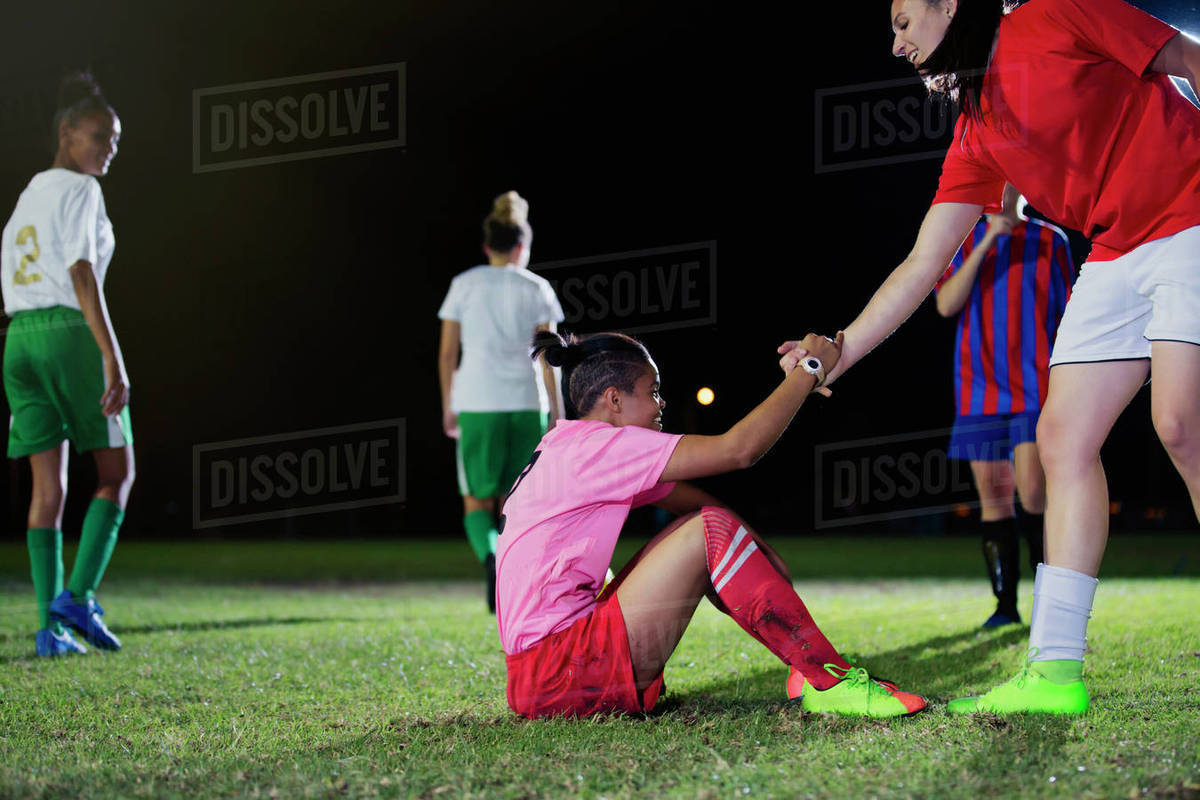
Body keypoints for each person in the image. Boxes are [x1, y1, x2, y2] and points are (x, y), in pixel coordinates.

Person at [780, 0, 1200, 714]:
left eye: (905, 21)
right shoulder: (976, 133)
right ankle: (1054, 675)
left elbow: (1187, 57)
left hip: (1192, 209)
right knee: (1064, 439)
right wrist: (842, 350)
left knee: (1180, 424)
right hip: (1115, 249)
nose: (896, 43)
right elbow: (921, 266)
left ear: (952, 4)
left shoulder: (1051, 18)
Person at [496, 329, 927, 719]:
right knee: (708, 528)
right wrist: (808, 371)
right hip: (561, 673)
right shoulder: (601, 446)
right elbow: (739, 450)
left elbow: (685, 500)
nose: (661, 403)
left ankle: (805, 667)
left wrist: (756, 550)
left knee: (704, 526)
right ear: (614, 400)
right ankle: (828, 680)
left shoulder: (565, 446)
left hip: (540, 677)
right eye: (653, 390)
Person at [2, 72, 133, 657]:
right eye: (100, 134)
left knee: (46, 487)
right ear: (66, 132)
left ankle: (48, 632)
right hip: (63, 333)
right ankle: (77, 598)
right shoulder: (81, 189)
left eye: (116, 137)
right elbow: (82, 271)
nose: (109, 146)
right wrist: (111, 355)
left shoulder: (29, 192)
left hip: (17, 339)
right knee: (116, 472)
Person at [934, 184, 1075, 628]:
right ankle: (1005, 608)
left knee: (1034, 495)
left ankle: (1047, 608)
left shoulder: (1052, 240)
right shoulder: (964, 238)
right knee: (994, 501)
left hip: (1035, 387)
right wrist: (991, 237)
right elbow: (945, 304)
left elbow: (1068, 315)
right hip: (978, 389)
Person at [437, 191, 564, 612]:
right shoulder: (538, 288)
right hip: (528, 402)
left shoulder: (464, 284)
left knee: (477, 499)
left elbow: (447, 353)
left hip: (476, 401)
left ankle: (490, 556)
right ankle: (515, 578)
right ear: (522, 247)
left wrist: (447, 404)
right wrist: (557, 412)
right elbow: (551, 356)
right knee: (518, 501)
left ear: (487, 245)